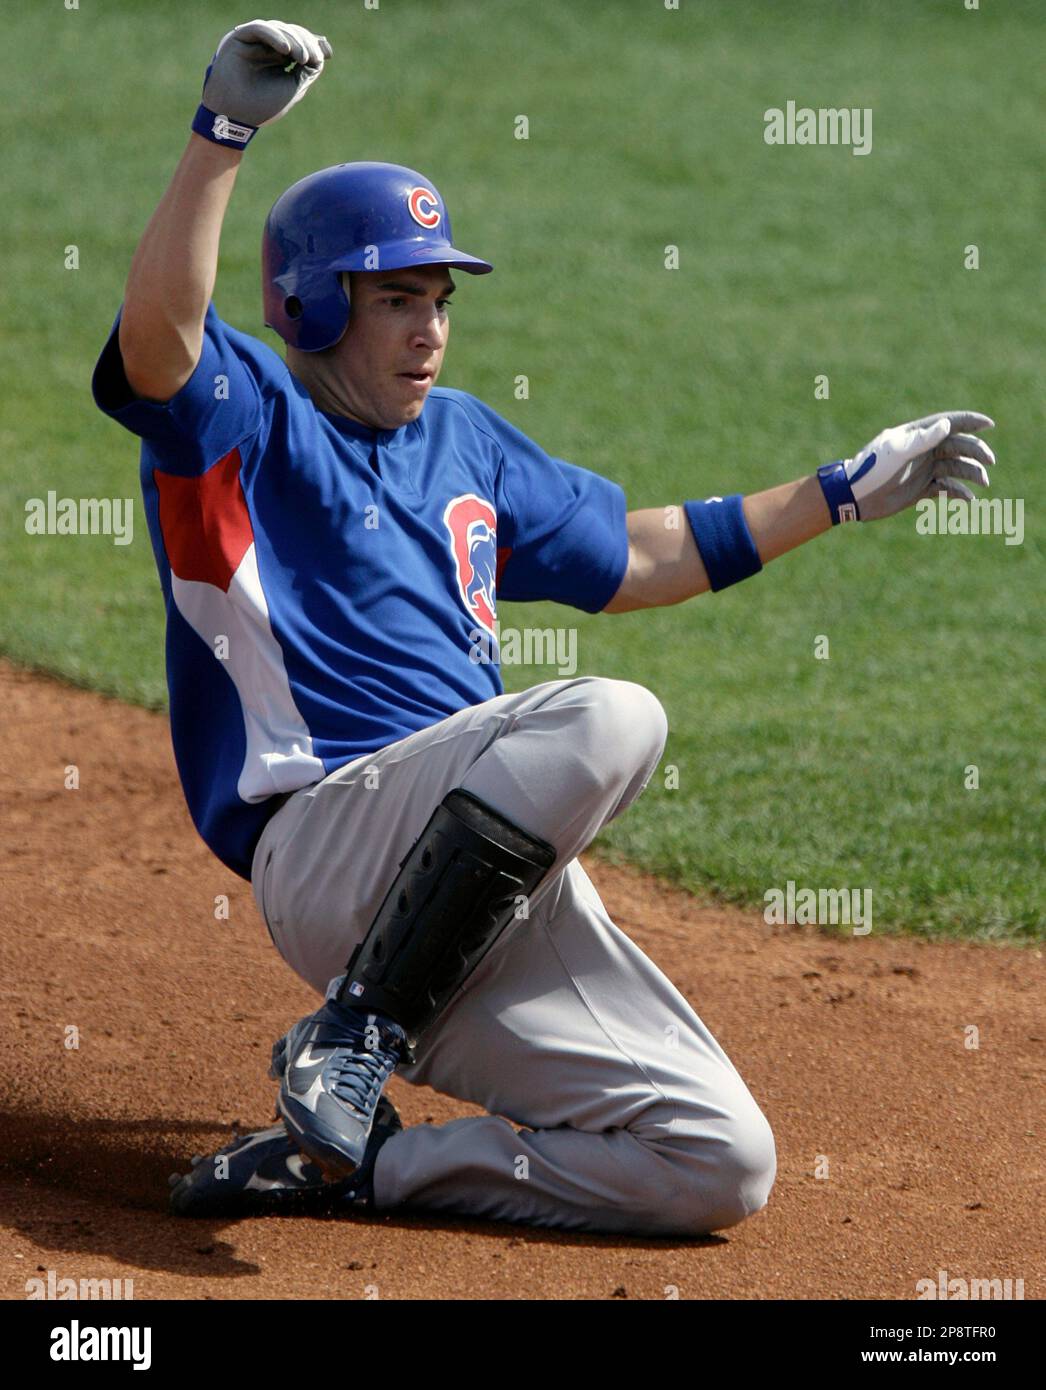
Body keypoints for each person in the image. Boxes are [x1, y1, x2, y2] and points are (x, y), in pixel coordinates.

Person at [92, 20, 995, 1234]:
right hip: (328, 841)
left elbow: (635, 554)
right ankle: (353, 1033)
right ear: (308, 306)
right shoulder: (246, 417)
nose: (430, 327)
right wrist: (222, 135)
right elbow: (159, 341)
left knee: (719, 1161)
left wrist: (838, 494)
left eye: (440, 299)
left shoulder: (464, 438)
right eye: (395, 298)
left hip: (479, 887)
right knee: (613, 712)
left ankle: (360, 1165)